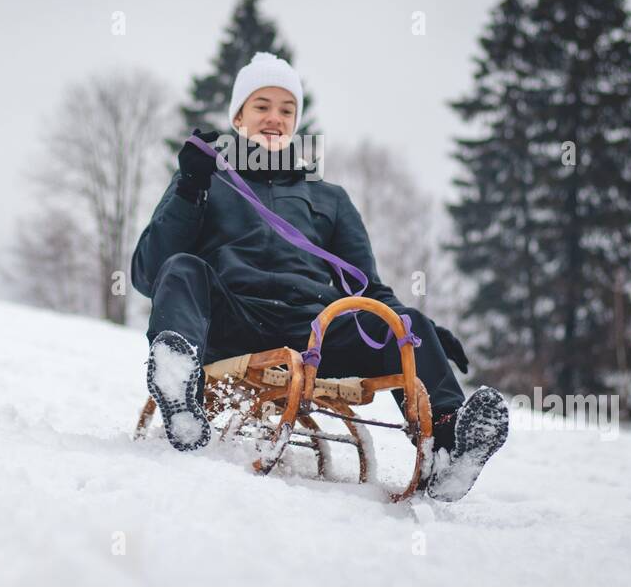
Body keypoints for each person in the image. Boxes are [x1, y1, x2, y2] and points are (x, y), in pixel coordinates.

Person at [130, 51, 508, 501]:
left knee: (404, 324)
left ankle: (449, 447)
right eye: (262, 106)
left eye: (287, 110)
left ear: (297, 121)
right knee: (183, 267)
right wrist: (190, 187)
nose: (275, 118)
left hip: (314, 334)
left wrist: (420, 330)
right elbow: (150, 272)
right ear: (237, 116)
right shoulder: (205, 184)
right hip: (233, 323)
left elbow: (365, 286)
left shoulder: (328, 198)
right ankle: (180, 388)